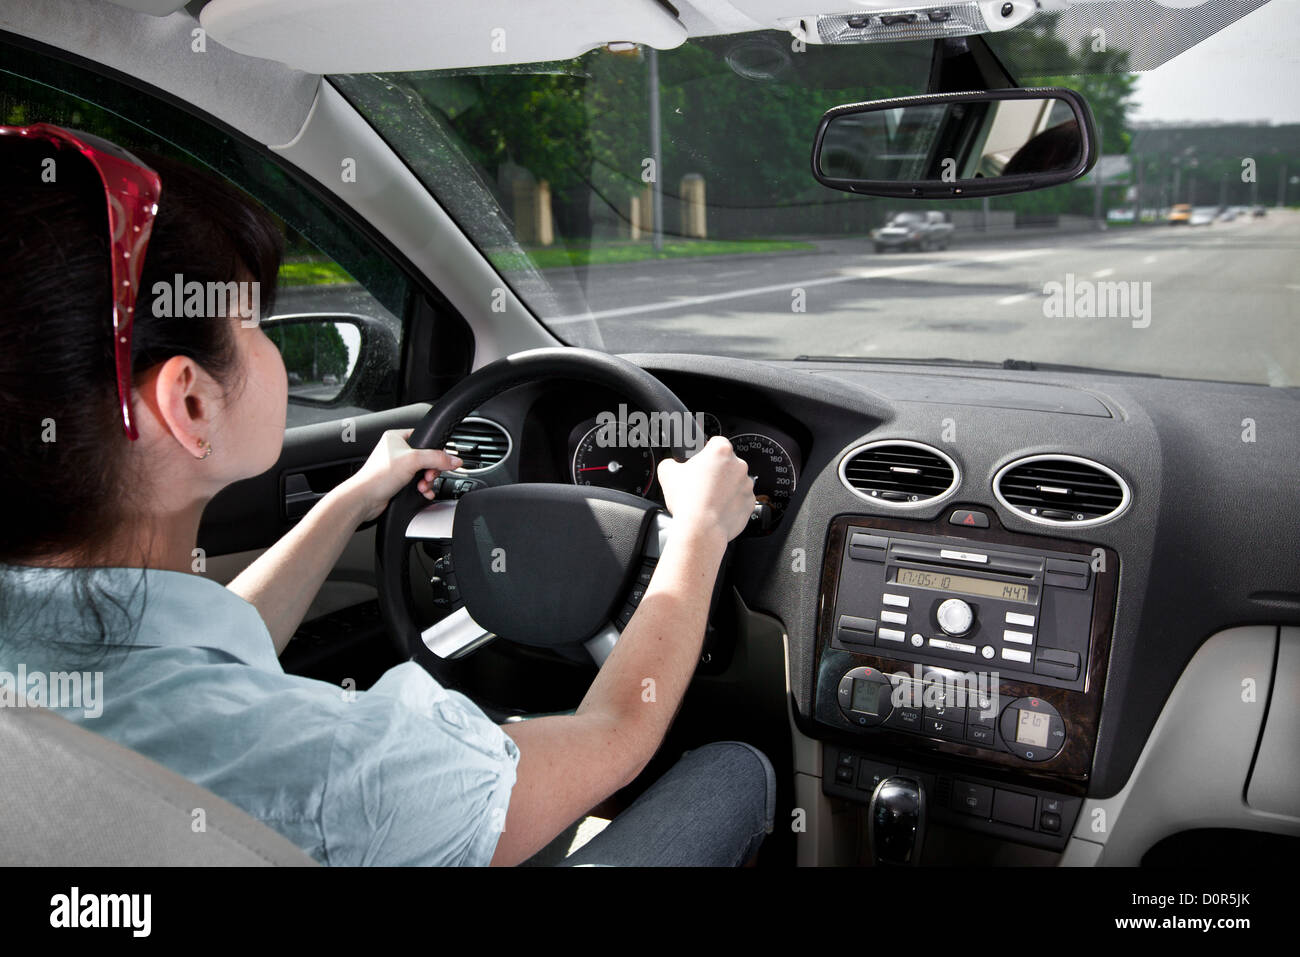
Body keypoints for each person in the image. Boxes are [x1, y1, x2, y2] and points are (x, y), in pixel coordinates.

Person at [0, 124, 774, 866]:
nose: (272, 346)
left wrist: (356, 497)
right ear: (191, 404)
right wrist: (700, 533)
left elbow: (207, 650)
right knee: (736, 770)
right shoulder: (331, 771)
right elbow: (616, 731)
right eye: (256, 324)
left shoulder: (57, 657)